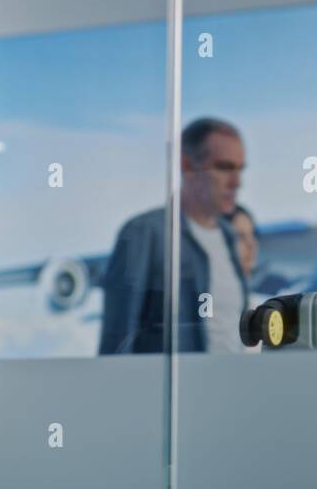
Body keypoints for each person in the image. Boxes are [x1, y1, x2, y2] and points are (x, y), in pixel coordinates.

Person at [99, 118, 250, 354]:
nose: (237, 182)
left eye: (240, 169)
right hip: (170, 390)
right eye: (224, 167)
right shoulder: (144, 234)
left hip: (229, 387)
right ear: (188, 165)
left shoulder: (229, 237)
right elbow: (116, 342)